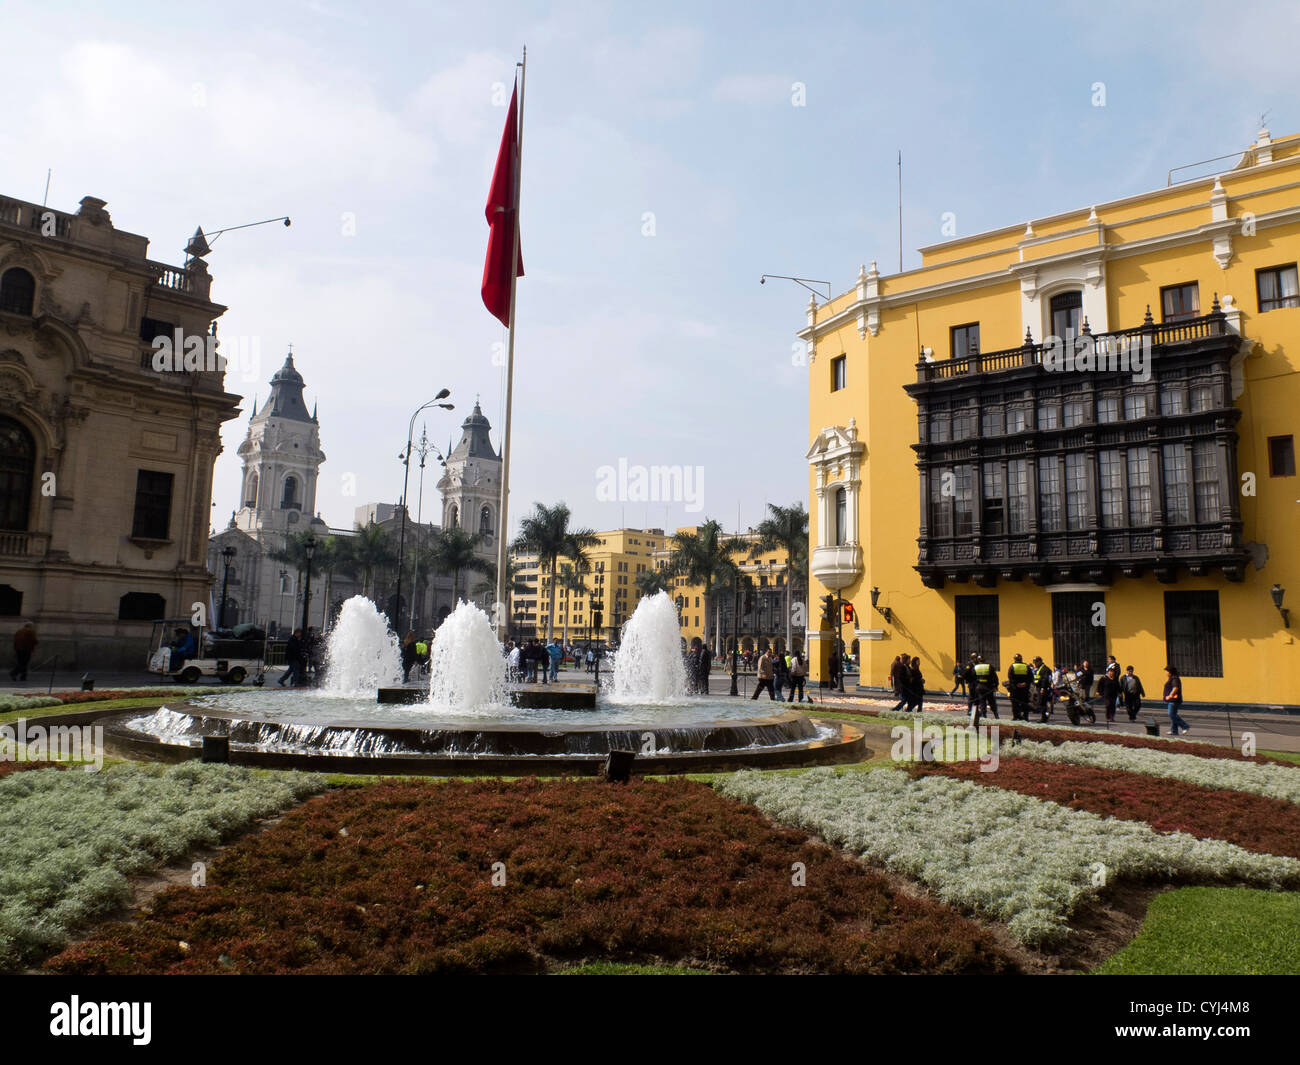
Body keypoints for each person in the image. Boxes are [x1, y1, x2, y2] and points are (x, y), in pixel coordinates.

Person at [971, 654, 999, 724]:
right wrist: (996, 685)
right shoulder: (989, 666)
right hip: (989, 687)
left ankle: (984, 715)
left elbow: (973, 677)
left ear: (978, 660)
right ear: (984, 659)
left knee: (982, 701)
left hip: (980, 687)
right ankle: (996, 715)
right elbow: (995, 677)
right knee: (991, 701)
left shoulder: (975, 667)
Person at [1163, 666, 1189, 736]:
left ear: (1170, 672)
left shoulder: (1175, 679)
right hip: (1172, 700)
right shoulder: (1172, 678)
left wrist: (1170, 695)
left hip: (1174, 700)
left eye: (1167, 671)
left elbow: (1175, 688)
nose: (1166, 673)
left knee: (1172, 714)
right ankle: (1174, 730)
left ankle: (1184, 726)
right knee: (1173, 714)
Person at [1006, 653, 1032, 721]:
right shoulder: (1026, 666)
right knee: (1025, 703)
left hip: (1015, 688)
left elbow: (1010, 677)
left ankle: (1015, 716)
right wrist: (1025, 683)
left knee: (1015, 703)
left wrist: (1016, 684)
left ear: (1014, 659)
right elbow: (1031, 677)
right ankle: (1026, 717)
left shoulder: (1012, 666)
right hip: (1024, 689)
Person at [1030, 656, 1052, 722]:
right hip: (1038, 687)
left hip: (1044, 688)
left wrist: (1043, 688)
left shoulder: (1045, 669)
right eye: (1034, 662)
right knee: (1040, 702)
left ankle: (1044, 718)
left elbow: (1045, 680)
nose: (1035, 663)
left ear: (1040, 661)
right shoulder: (1038, 668)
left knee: (1043, 703)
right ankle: (1043, 717)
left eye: (1036, 662)